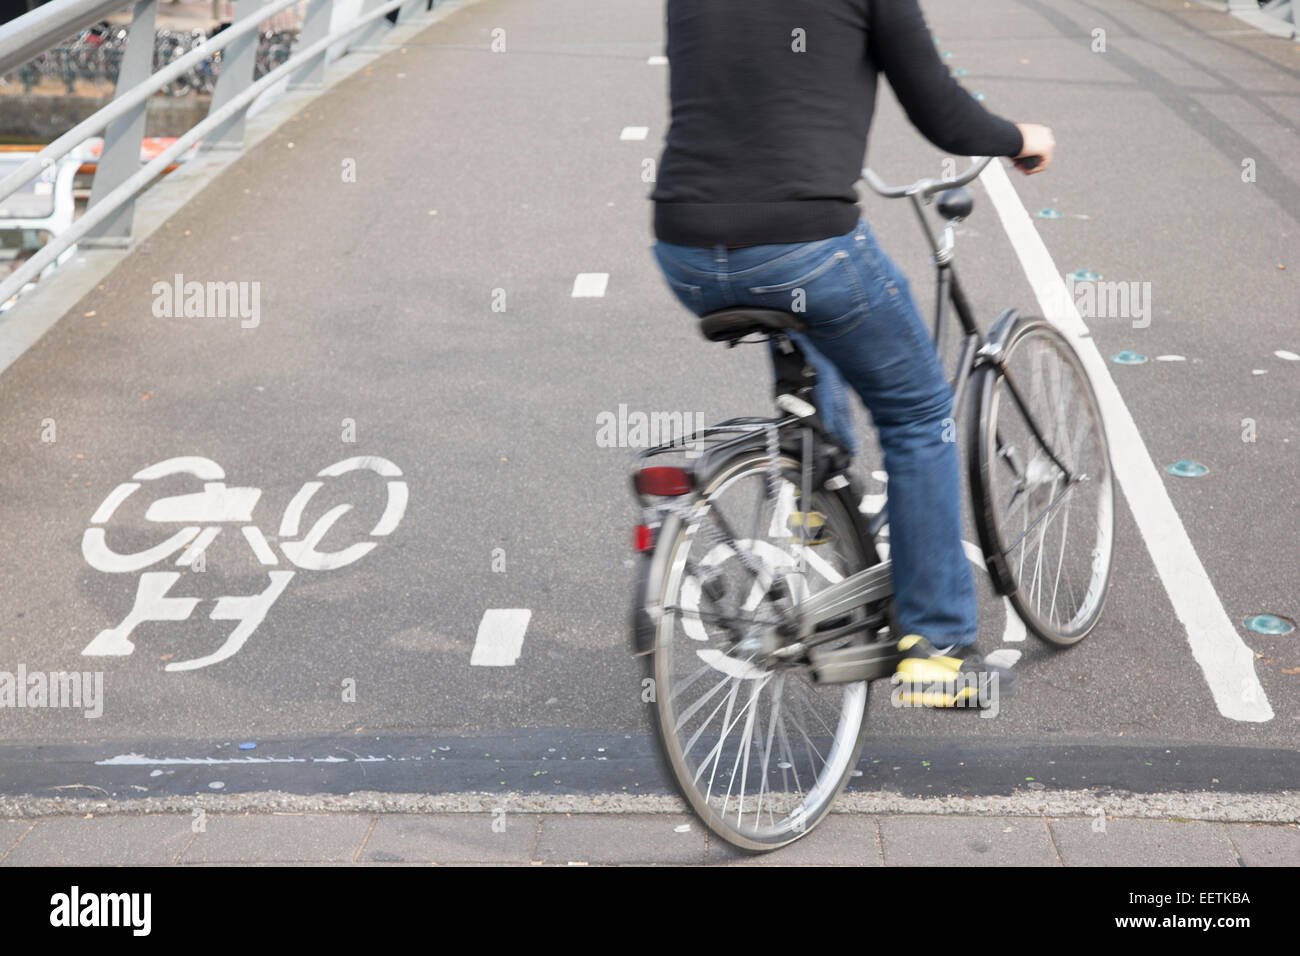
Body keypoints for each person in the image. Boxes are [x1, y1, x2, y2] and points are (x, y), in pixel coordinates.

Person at [649, 0, 1055, 707]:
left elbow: (730, 86)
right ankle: (937, 655)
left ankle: (816, 492)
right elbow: (942, 113)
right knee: (918, 410)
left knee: (812, 317)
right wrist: (1021, 136)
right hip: (803, 241)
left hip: (684, 248)